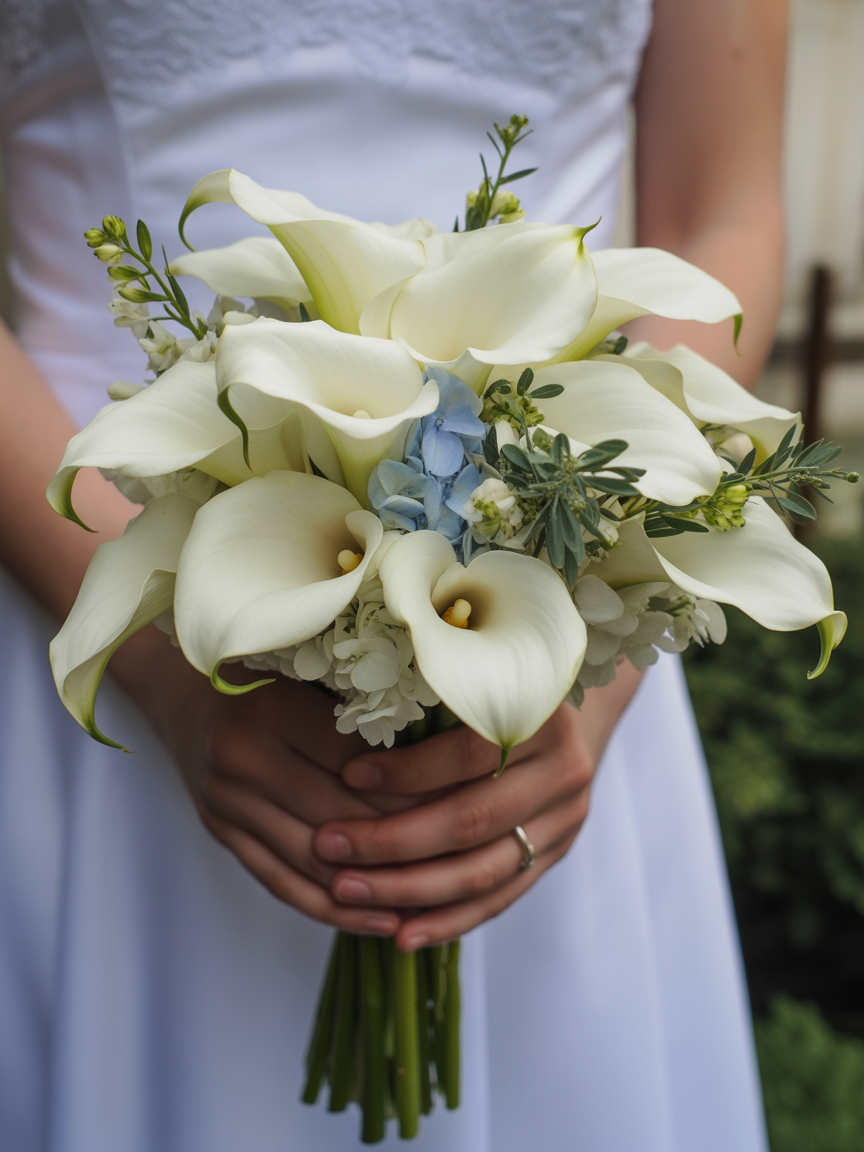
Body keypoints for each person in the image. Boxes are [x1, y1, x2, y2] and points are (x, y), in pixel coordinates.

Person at [0, 0, 785, 1147]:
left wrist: (588, 675)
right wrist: (168, 675)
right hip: (101, 582)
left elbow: (725, 213)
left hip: (549, 675)